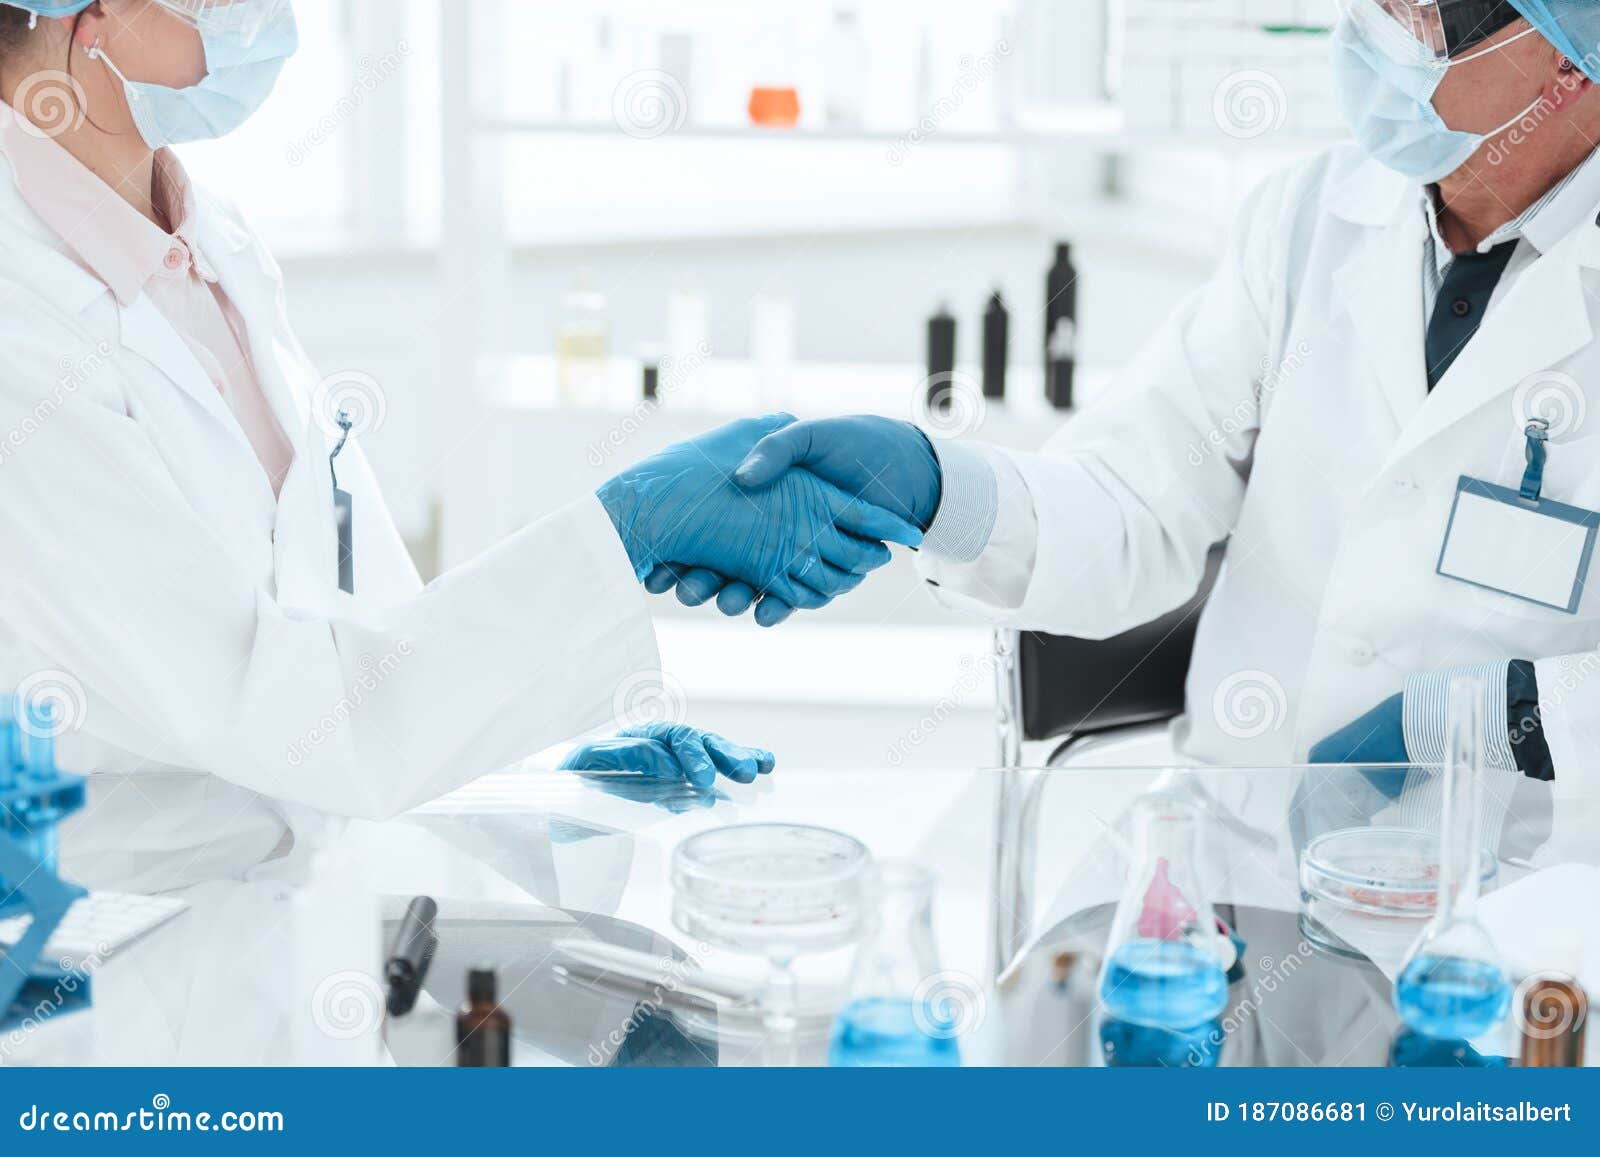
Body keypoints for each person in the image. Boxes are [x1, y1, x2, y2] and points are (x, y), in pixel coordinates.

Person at [0, 0, 923, 898]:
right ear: (86, 14)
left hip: (295, 909)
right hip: (130, 943)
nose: (262, 15)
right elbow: (269, 704)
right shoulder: (22, 331)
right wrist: (625, 530)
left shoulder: (208, 244)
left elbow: (360, 638)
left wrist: (532, 779)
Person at [665, 0, 1600, 809]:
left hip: (1518, 891)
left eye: (1421, 17)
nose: (1372, 35)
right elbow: (1135, 499)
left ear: (1568, 58)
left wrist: (1500, 717)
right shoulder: (1306, 220)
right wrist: (934, 486)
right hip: (1239, 841)